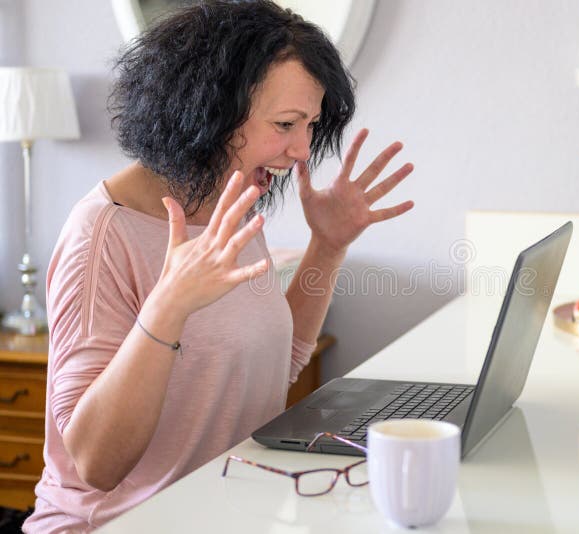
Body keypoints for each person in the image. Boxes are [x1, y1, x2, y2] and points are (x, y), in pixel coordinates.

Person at [23, 1, 414, 531]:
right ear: (208, 110)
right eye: (285, 124)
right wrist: (167, 309)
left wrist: (328, 246)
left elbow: (278, 362)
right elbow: (96, 465)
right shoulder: (102, 234)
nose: (302, 150)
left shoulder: (227, 203)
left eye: (311, 126)